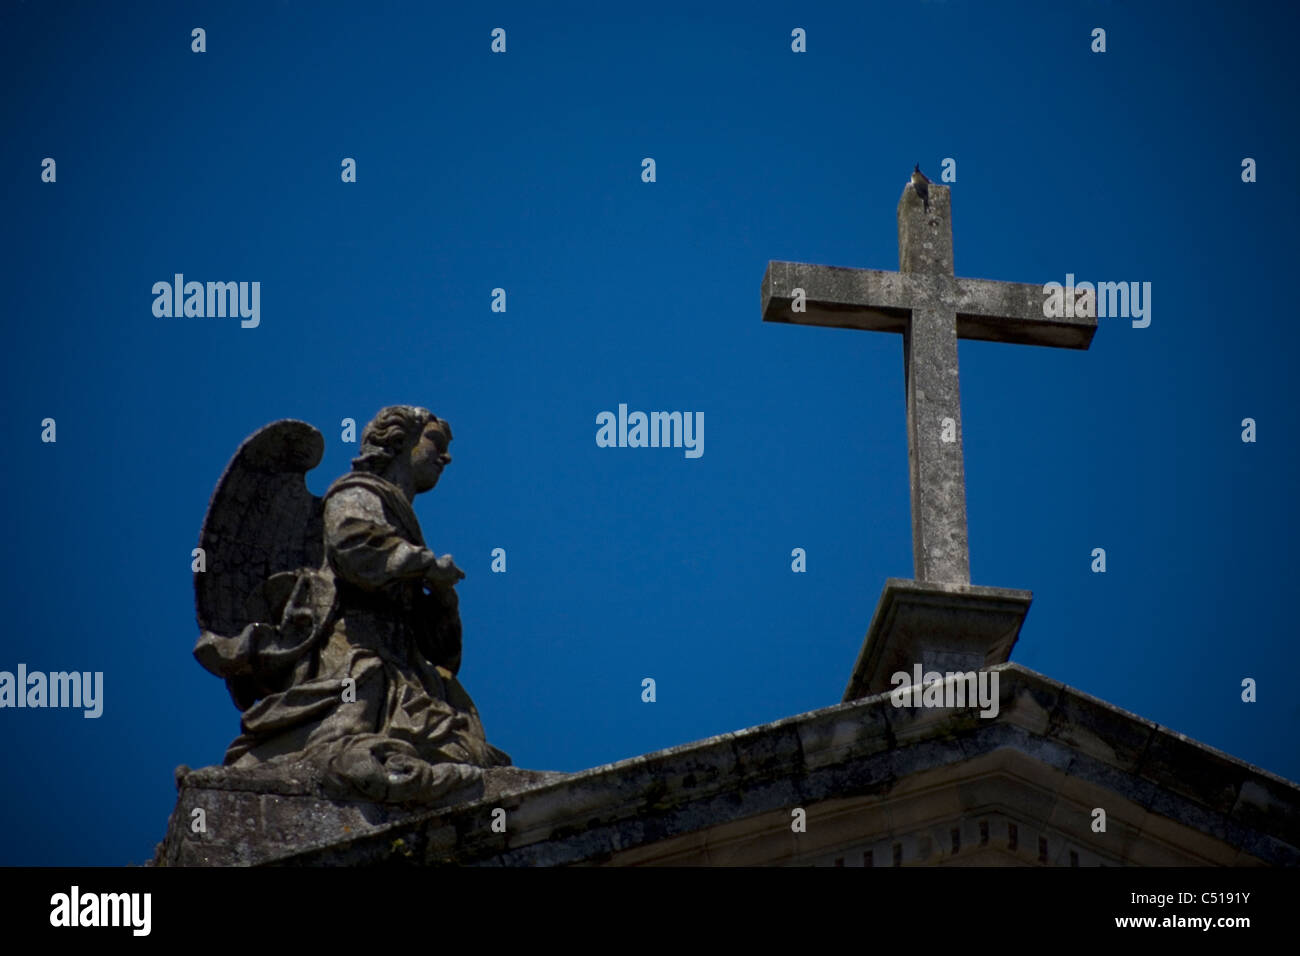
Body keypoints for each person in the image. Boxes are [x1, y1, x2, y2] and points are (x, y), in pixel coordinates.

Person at [204, 405, 510, 802]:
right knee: (350, 725)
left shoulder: (397, 512)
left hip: (403, 669)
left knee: (464, 745)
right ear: (400, 442)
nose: (446, 456)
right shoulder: (355, 493)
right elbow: (353, 548)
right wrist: (423, 564)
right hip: (355, 656)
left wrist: (442, 601)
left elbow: (440, 650)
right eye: (435, 441)